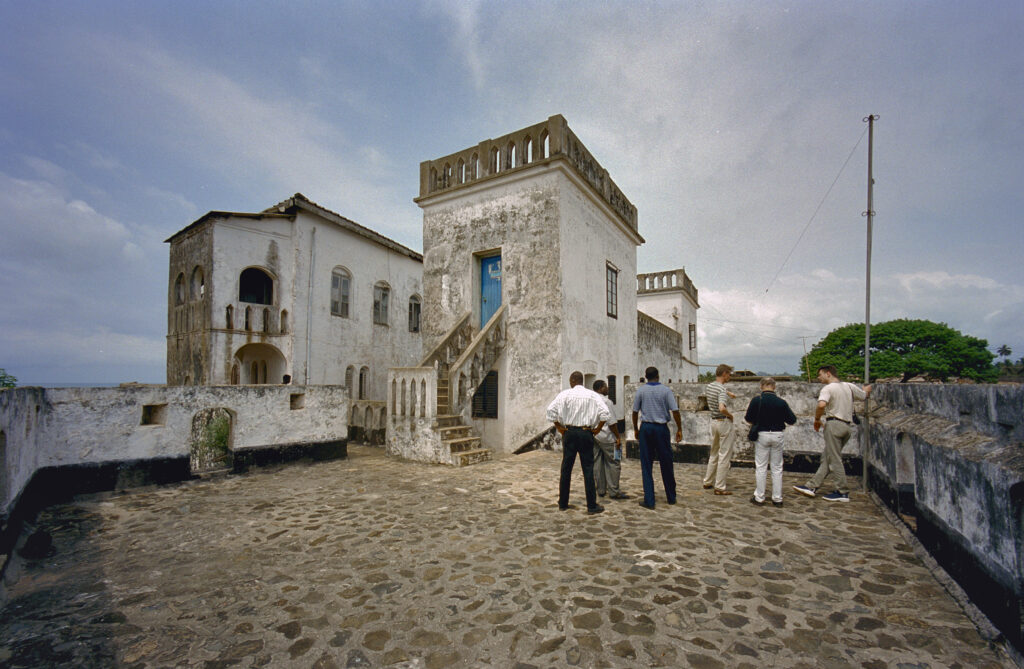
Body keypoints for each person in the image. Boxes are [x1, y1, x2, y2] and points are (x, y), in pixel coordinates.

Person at [793, 365, 871, 502]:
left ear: (828, 374)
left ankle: (842, 491)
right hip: (846, 426)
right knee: (827, 457)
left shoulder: (828, 389)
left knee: (834, 459)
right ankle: (812, 486)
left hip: (834, 424)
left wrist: (817, 419)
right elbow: (864, 396)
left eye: (820, 375)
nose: (819, 378)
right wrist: (866, 390)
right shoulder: (848, 386)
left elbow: (822, 405)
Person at [546, 371, 611, 514]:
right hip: (586, 432)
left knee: (566, 468)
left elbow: (550, 411)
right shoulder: (592, 395)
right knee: (588, 468)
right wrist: (597, 429)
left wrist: (560, 428)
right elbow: (605, 413)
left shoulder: (564, 395)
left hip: (569, 432)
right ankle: (591, 505)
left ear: (572, 381)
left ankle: (563, 502)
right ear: (582, 381)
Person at [631, 366, 683, 509]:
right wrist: (679, 428)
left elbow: (635, 411)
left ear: (646, 376)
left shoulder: (641, 391)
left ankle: (649, 499)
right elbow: (675, 411)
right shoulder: (666, 390)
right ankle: (671, 496)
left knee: (646, 463)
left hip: (646, 427)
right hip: (661, 428)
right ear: (658, 376)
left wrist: (635, 428)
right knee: (666, 462)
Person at [744, 377, 797, 507]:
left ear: (761, 386)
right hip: (777, 434)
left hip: (762, 434)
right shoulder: (781, 402)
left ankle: (760, 496)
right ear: (774, 387)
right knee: (777, 467)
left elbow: (748, 418)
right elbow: (792, 420)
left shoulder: (757, 401)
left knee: (761, 467)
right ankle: (777, 498)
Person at [702, 364, 738, 495]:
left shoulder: (710, 386)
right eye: (729, 374)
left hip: (713, 422)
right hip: (723, 421)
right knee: (724, 455)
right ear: (724, 374)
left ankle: (707, 481)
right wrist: (731, 415)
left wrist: (729, 393)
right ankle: (720, 486)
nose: (729, 377)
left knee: (714, 453)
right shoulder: (721, 390)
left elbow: (719, 390)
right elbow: (722, 407)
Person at [592, 380, 628, 500]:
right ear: (601, 388)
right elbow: (612, 422)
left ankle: (601, 489)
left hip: (594, 436)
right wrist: (618, 437)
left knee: (597, 462)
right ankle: (614, 490)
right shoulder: (607, 402)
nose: (608, 389)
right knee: (614, 462)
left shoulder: (590, 400)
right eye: (606, 387)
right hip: (607, 436)